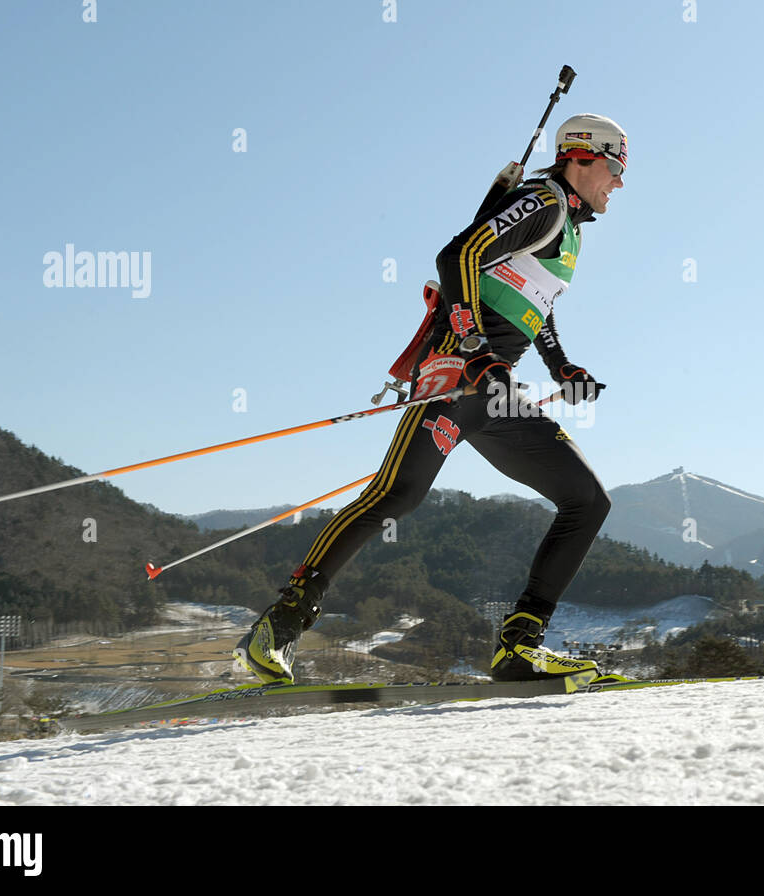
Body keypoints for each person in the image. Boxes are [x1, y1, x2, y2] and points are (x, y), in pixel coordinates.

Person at [234, 113, 628, 684]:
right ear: (581, 157)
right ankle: (280, 625)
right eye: (616, 168)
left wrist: (561, 365)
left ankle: (521, 645)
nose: (619, 182)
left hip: (496, 389)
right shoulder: (542, 202)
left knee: (587, 501)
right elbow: (459, 256)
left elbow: (534, 306)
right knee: (397, 495)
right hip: (457, 371)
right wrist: (473, 346)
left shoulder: (570, 227)